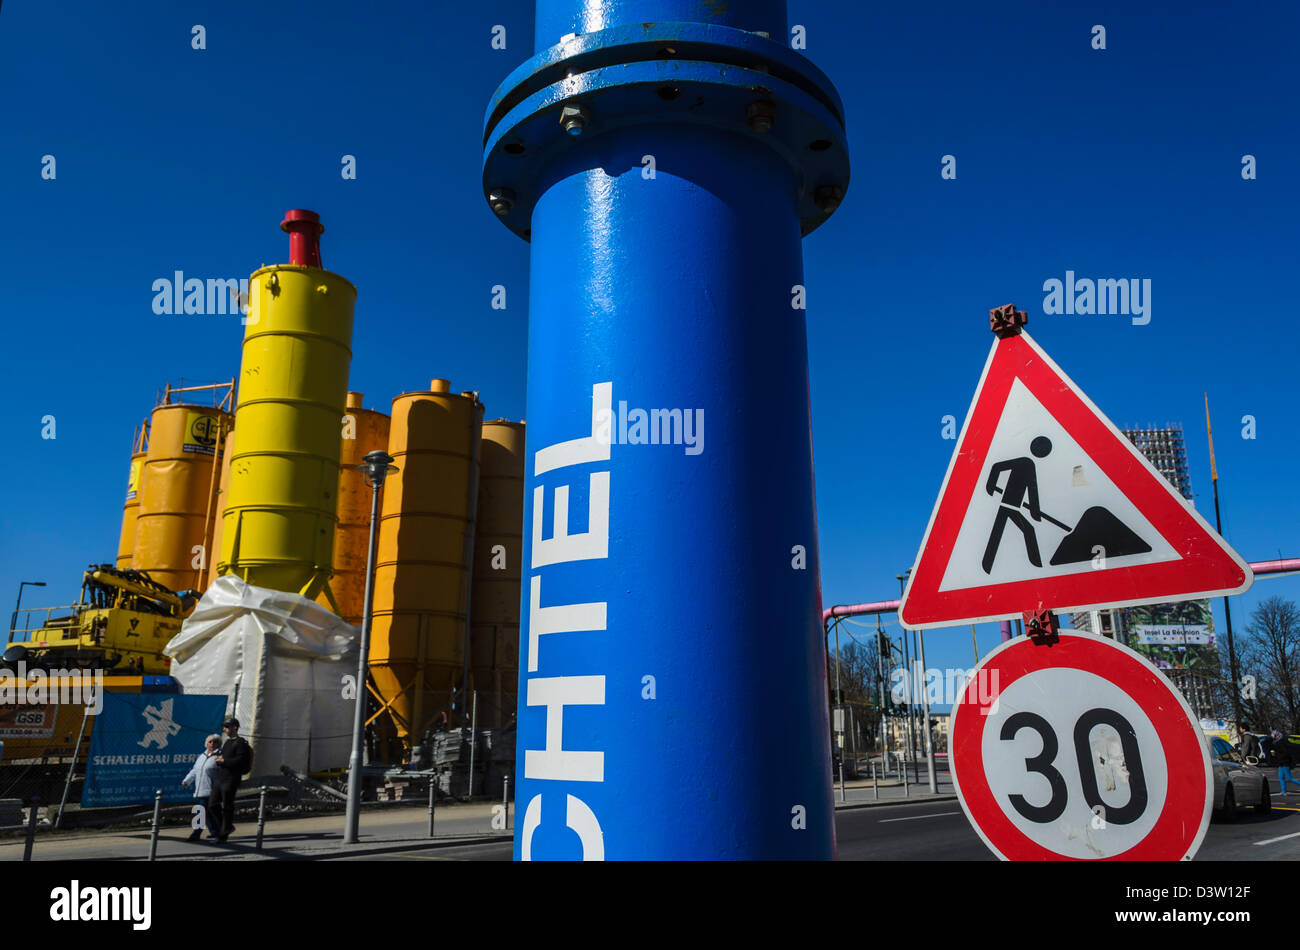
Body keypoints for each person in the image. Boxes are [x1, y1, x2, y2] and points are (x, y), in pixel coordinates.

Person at [208, 717, 253, 842]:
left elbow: (240, 761)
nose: (225, 729)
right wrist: (219, 759)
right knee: (212, 804)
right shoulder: (227, 742)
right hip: (221, 777)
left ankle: (223, 834)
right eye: (224, 727)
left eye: (227, 727)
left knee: (227, 806)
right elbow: (225, 757)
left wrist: (224, 761)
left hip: (231, 778)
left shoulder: (240, 743)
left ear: (235, 727)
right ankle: (227, 826)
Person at [181, 734, 221, 841]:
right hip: (201, 789)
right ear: (206, 744)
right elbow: (195, 770)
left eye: (215, 742)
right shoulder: (202, 756)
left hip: (212, 790)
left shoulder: (220, 757)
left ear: (218, 744)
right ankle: (215, 831)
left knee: (202, 811)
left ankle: (196, 833)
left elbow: (224, 773)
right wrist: (187, 780)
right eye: (210, 742)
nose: (212, 744)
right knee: (208, 812)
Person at [1271, 729, 1300, 795]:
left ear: (1276, 735)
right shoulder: (1277, 742)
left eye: (1272, 734)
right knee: (1281, 777)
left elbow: (1285, 752)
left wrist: (1276, 754)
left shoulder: (1280, 742)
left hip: (1284, 762)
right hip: (1281, 762)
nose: (1271, 735)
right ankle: (1283, 792)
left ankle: (1284, 791)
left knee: (1289, 778)